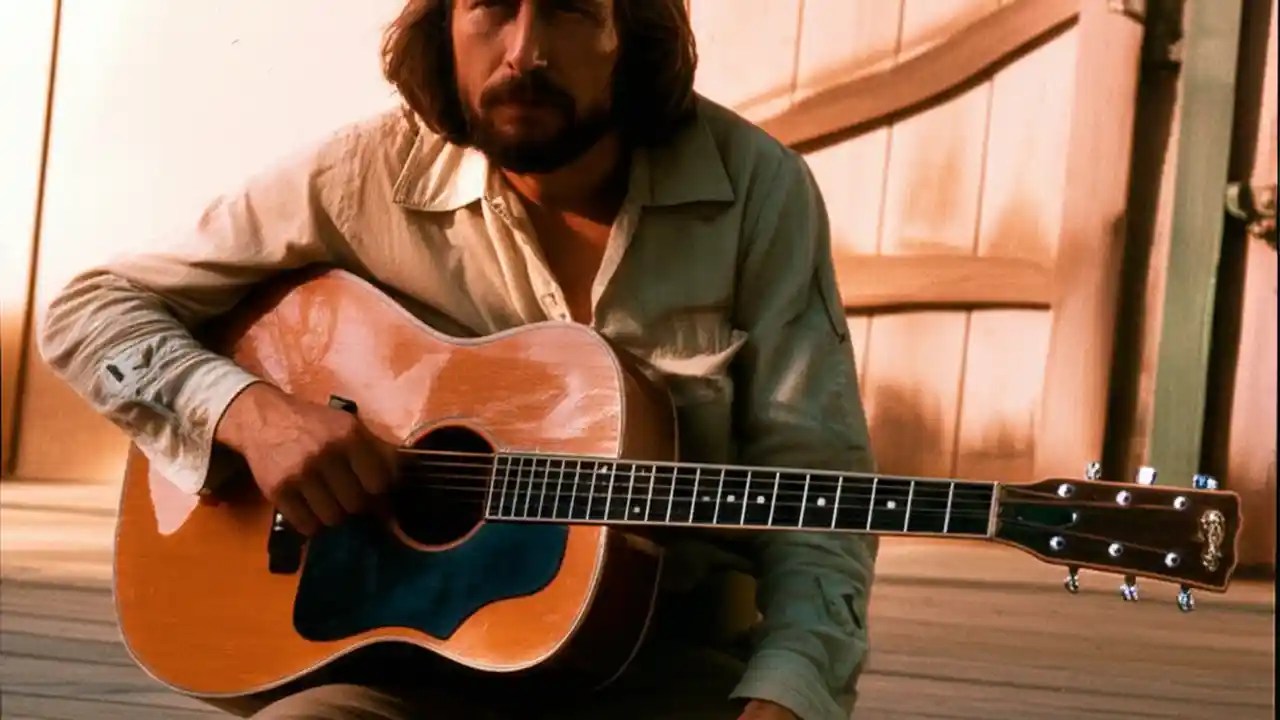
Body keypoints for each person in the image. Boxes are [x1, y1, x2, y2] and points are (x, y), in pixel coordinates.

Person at [38, 1, 879, 718]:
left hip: (659, 663)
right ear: (444, 25)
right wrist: (251, 414)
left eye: (569, 8)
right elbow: (89, 314)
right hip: (388, 671)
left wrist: (789, 689)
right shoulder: (365, 172)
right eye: (490, 7)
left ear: (633, 27)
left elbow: (819, 483)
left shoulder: (757, 190)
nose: (524, 51)